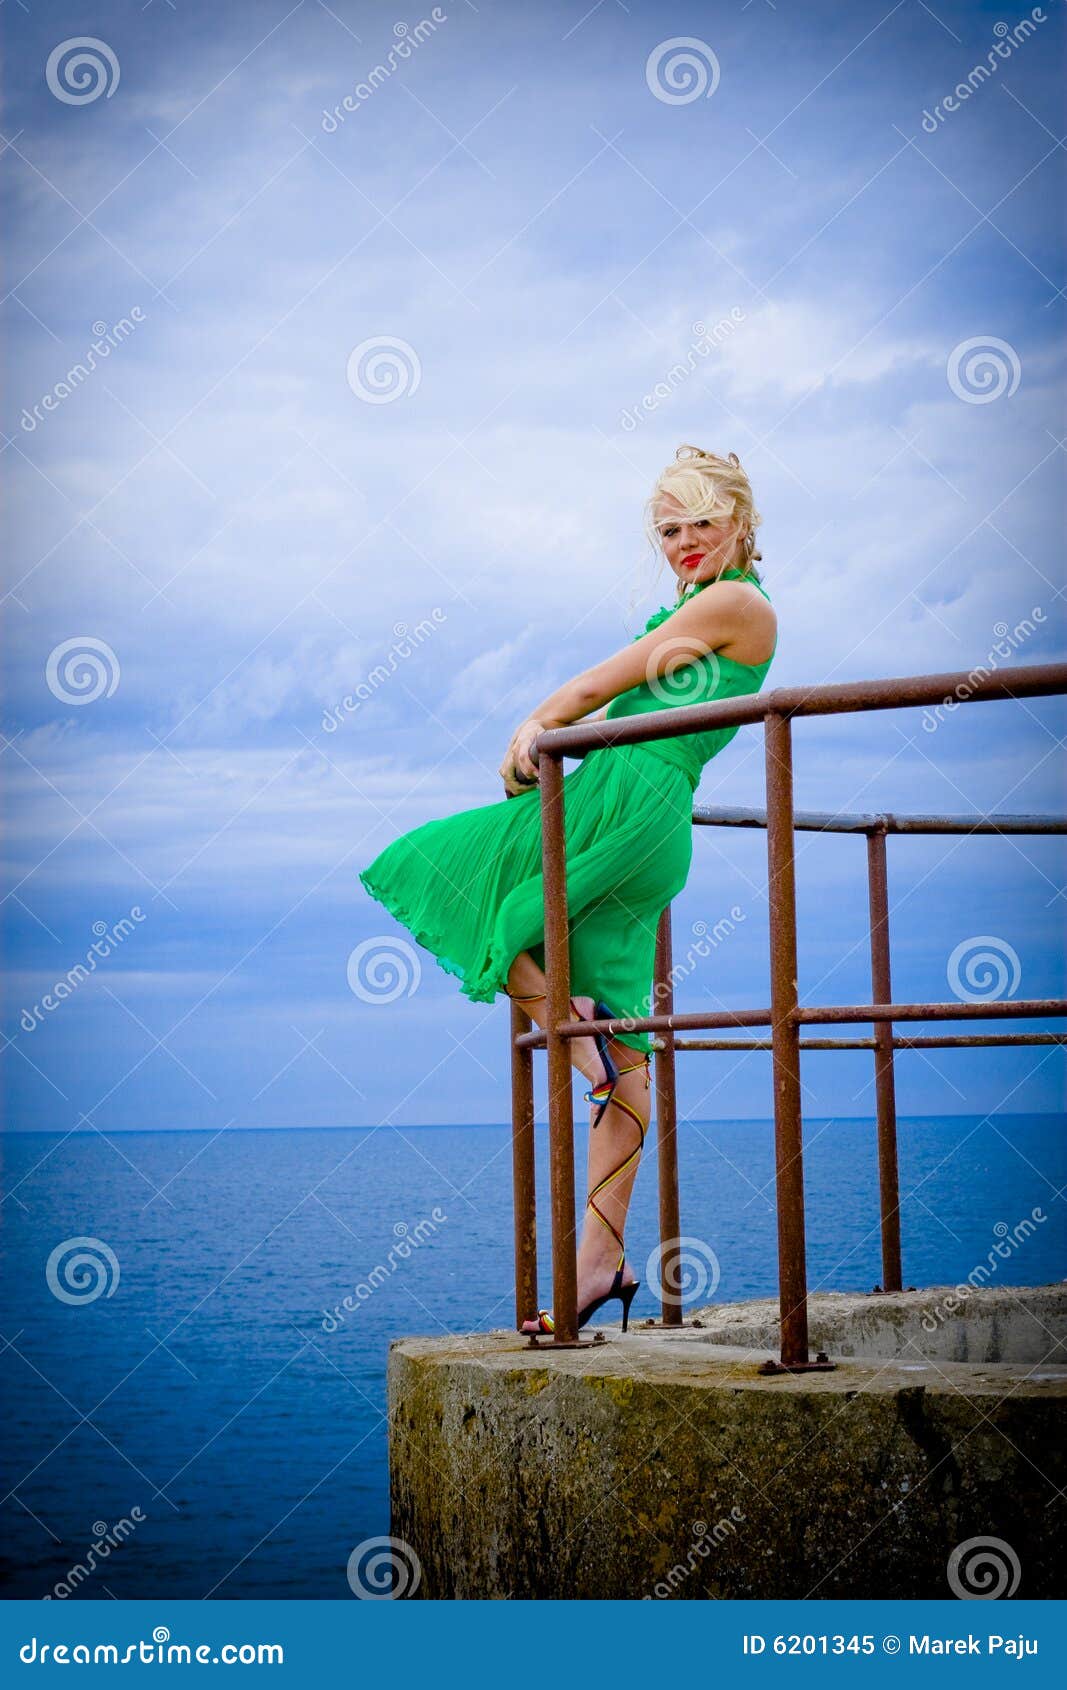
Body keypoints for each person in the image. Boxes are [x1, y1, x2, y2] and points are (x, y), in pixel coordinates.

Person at [358, 445, 778, 1334]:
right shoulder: (689, 609)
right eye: (668, 529)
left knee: (479, 902)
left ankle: (571, 1033)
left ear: (740, 521)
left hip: (634, 810)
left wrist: (536, 721)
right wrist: (557, 744)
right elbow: (617, 709)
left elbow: (598, 687)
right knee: (624, 1052)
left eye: (702, 522)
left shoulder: (736, 604)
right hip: (608, 798)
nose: (684, 542)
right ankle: (599, 1264)